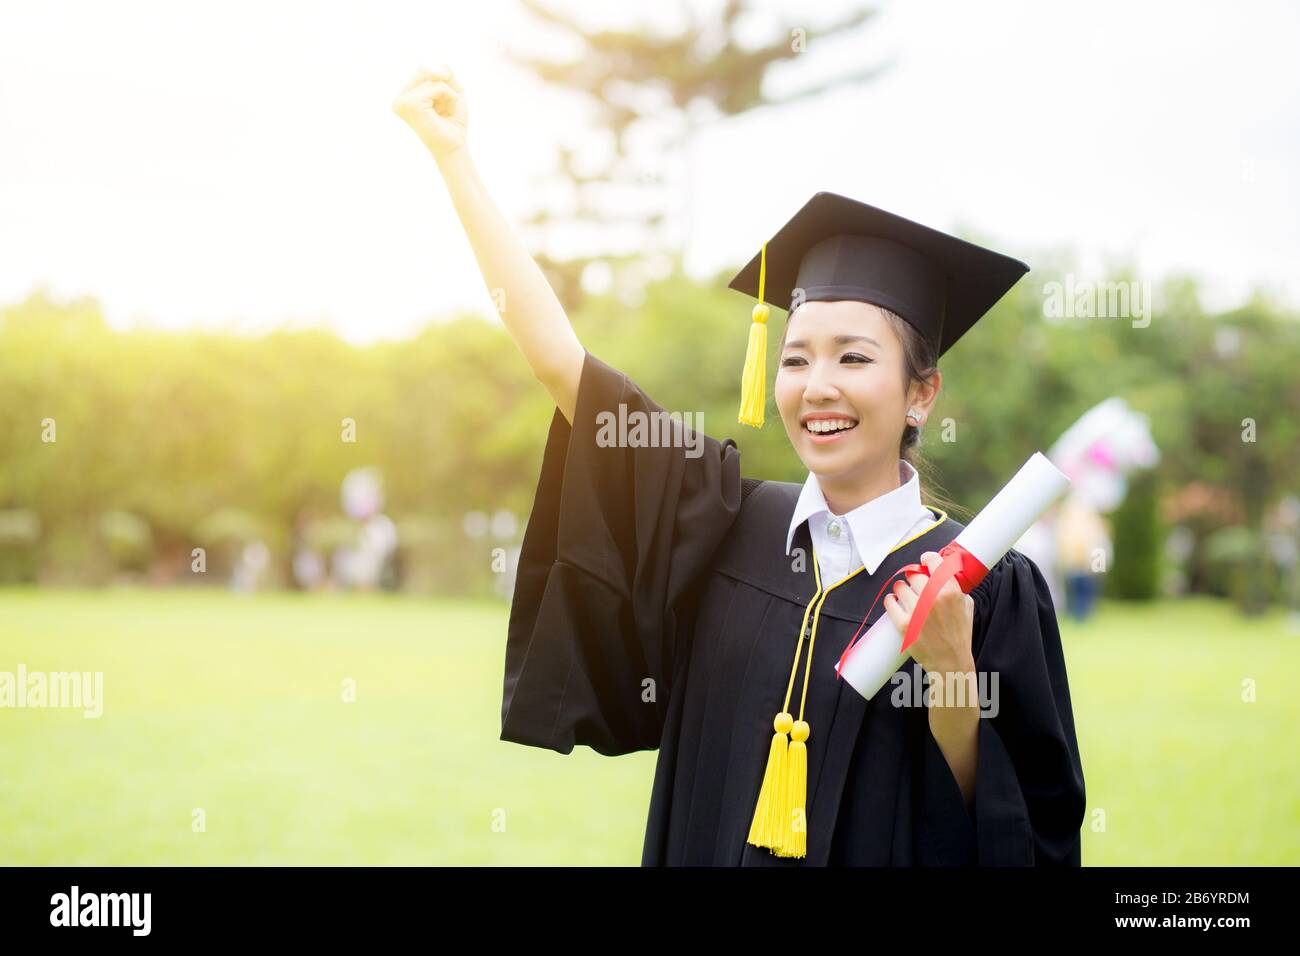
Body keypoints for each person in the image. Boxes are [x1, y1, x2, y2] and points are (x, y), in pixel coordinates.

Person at [394, 65, 1086, 866]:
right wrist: (455, 160)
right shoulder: (723, 518)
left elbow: (1014, 837)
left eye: (853, 357)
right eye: (795, 360)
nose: (817, 386)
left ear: (921, 393)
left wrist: (952, 673)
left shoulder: (982, 585)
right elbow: (561, 364)